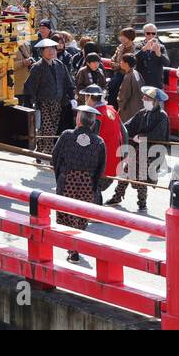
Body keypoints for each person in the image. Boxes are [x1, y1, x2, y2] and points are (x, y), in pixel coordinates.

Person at [51, 102, 106, 260]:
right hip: (86, 184)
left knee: (66, 214)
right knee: (81, 216)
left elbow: (55, 157)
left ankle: (72, 249)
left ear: (78, 120)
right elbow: (100, 169)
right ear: (93, 122)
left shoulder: (67, 135)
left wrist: (60, 177)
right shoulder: (99, 142)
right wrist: (93, 186)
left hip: (67, 180)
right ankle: (76, 248)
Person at [106, 86, 170, 213]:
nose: (143, 99)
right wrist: (119, 129)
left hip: (151, 151)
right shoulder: (142, 113)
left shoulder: (162, 116)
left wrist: (142, 137)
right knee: (127, 172)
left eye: (146, 98)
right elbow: (129, 126)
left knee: (141, 175)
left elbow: (159, 135)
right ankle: (118, 196)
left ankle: (141, 202)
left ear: (154, 101)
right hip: (137, 149)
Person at [22, 37, 75, 150]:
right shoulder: (37, 67)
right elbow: (29, 86)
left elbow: (67, 82)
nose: (51, 51)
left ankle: (41, 150)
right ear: (42, 52)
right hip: (43, 103)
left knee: (55, 129)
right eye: (48, 49)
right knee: (47, 129)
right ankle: (50, 155)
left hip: (59, 102)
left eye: (53, 48)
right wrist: (30, 104)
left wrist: (72, 97)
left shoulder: (60, 65)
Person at [135, 24, 169, 89]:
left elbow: (167, 63)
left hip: (157, 83)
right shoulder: (139, 45)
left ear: (156, 34)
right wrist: (144, 49)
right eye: (148, 33)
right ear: (144, 34)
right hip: (142, 82)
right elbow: (133, 59)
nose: (151, 36)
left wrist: (159, 54)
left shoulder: (161, 47)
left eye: (153, 33)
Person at [114, 51, 143, 124]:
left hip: (129, 109)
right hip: (138, 106)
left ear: (126, 64)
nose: (120, 62)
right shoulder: (136, 73)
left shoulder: (128, 77)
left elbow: (123, 95)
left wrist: (120, 108)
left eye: (122, 61)